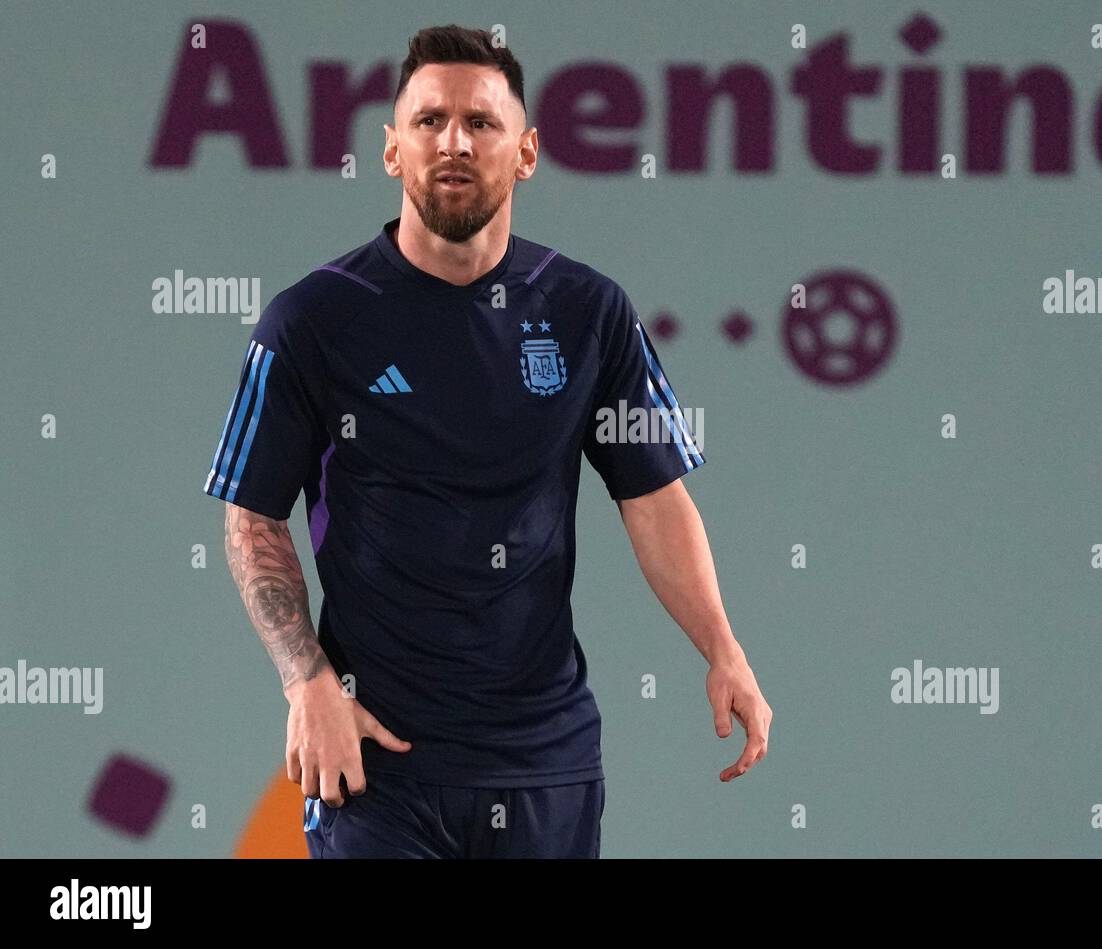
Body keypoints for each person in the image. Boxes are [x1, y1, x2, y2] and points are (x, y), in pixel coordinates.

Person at [203, 24, 772, 859]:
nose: (455, 142)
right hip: (375, 760)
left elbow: (653, 497)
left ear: (528, 152)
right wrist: (307, 680)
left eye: (481, 122)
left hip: (546, 762)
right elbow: (251, 516)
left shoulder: (589, 311)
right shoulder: (314, 320)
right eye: (429, 122)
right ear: (392, 150)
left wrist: (724, 649)